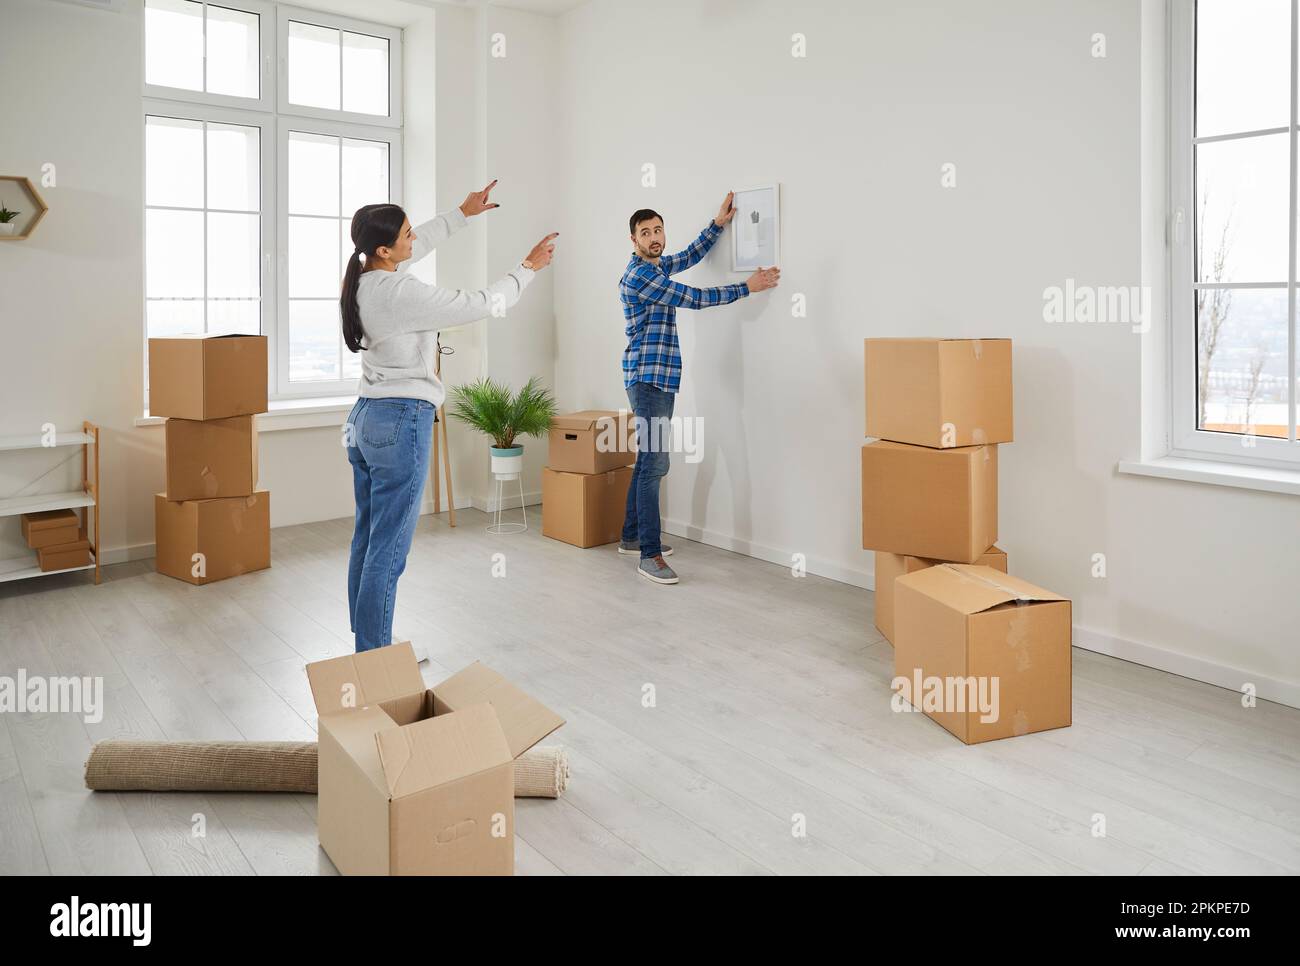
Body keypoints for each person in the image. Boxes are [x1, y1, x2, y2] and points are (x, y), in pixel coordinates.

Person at [340, 181, 558, 651]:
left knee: (368, 537)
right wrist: (527, 269)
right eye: (405, 234)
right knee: (389, 549)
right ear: (384, 248)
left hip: (364, 420)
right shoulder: (400, 292)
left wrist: (462, 214)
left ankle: (368, 642)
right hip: (400, 421)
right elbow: (480, 303)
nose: (412, 238)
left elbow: (421, 241)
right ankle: (375, 660)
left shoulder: (364, 277)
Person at [618, 193, 780, 584]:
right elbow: (693, 297)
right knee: (655, 464)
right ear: (633, 240)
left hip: (658, 377)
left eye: (658, 230)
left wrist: (717, 225)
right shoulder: (641, 277)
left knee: (647, 462)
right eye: (645, 233)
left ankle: (631, 536)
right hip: (648, 380)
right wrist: (748, 287)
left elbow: (688, 257)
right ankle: (649, 555)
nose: (654, 237)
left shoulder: (655, 266)